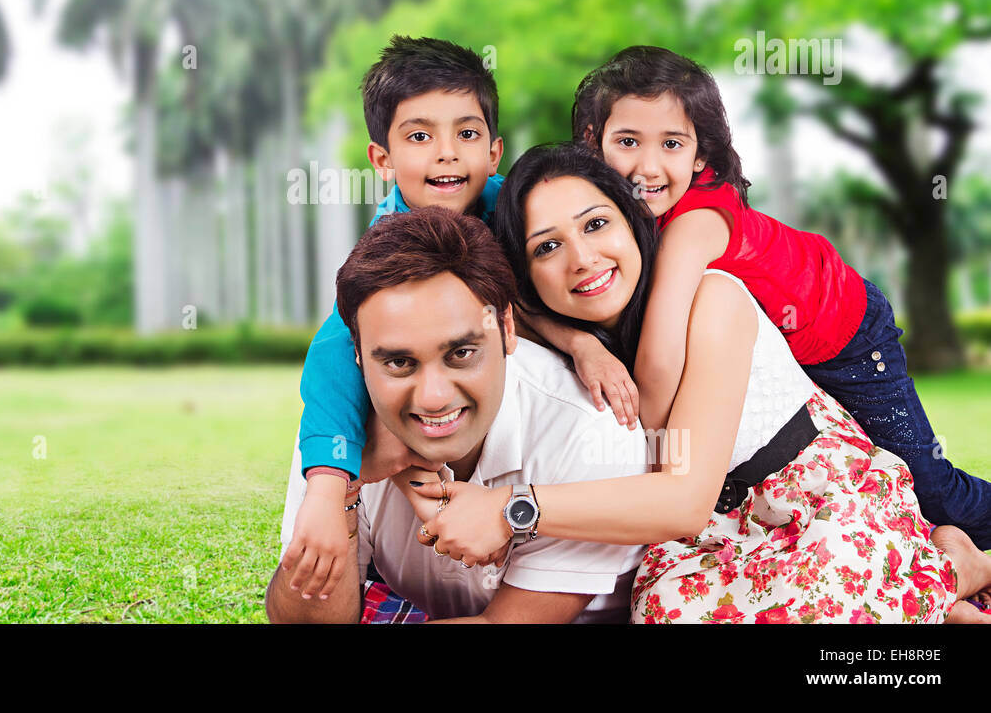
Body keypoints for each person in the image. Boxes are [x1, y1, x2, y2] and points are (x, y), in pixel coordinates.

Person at [415, 143, 991, 623]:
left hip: (812, 492)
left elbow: (683, 499)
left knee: (821, 601)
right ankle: (932, 603)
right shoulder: (562, 341)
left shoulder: (714, 297)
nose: (583, 258)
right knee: (665, 608)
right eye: (548, 246)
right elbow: (492, 307)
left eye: (596, 224)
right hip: (714, 530)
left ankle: (954, 565)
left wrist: (511, 508)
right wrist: (580, 343)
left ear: (632, 222)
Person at [561, 45, 991, 550]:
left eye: (672, 144)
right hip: (788, 350)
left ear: (701, 154)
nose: (648, 167)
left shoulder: (693, 225)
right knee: (860, 479)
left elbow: (659, 354)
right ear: (594, 142)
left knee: (929, 489)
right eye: (628, 141)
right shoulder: (611, 212)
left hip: (848, 335)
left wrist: (636, 445)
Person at [284, 35, 635, 601]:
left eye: (465, 134)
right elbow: (336, 356)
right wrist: (330, 489)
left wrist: (580, 343)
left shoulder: (519, 209)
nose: (446, 153)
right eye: (420, 136)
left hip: (542, 421)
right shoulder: (386, 256)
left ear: (493, 153)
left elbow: (517, 302)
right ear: (382, 160)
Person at [266, 207, 649, 623]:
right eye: (398, 363)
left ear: (506, 329)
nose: (432, 398)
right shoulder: (338, 433)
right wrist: (346, 489)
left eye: (461, 354)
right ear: (357, 357)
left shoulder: (585, 428)